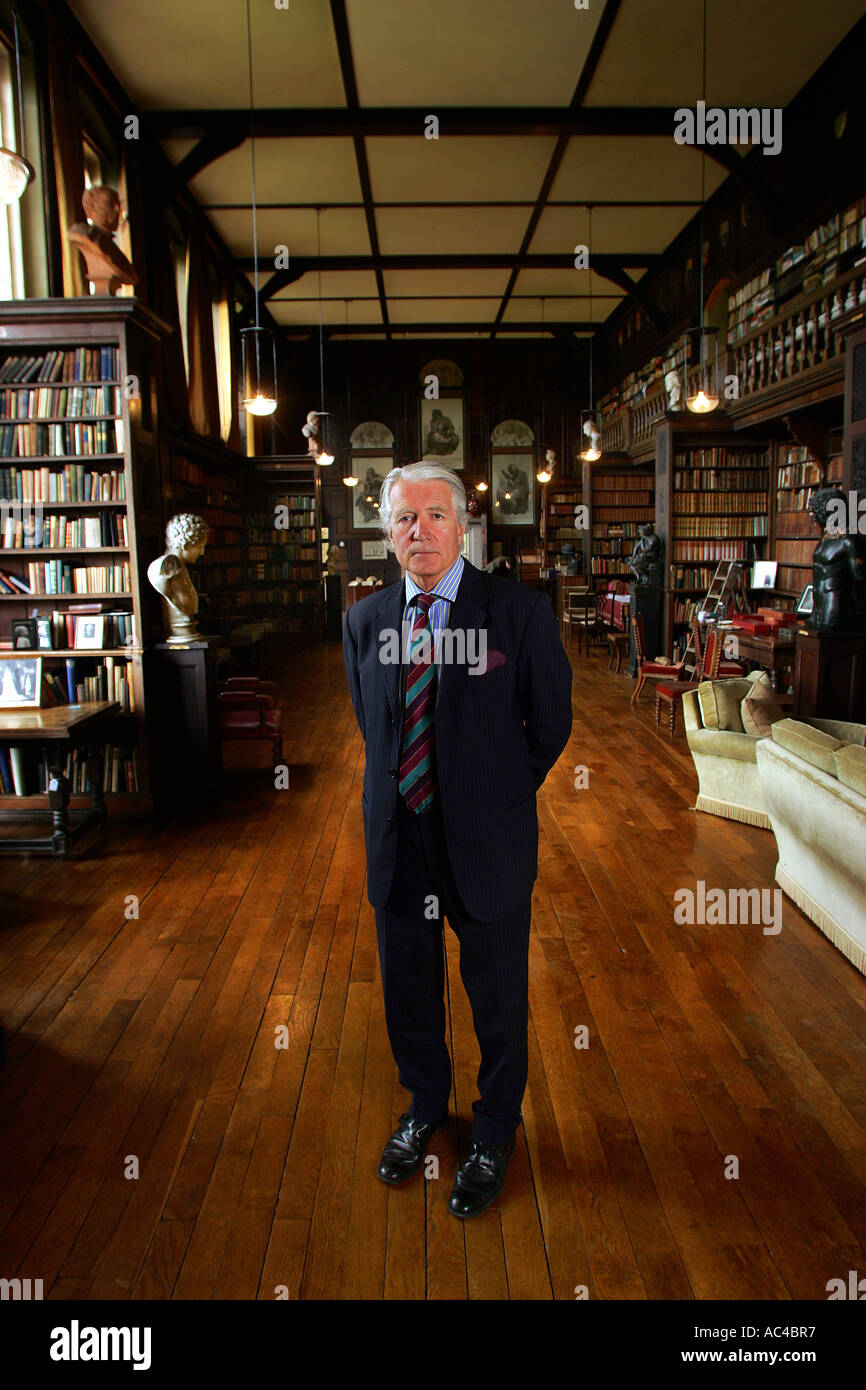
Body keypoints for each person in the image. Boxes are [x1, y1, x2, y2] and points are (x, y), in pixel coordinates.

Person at [343, 462, 572, 1218]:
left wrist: (493, 796)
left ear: (464, 525)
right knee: (408, 989)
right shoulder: (366, 621)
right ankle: (424, 1108)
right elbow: (373, 726)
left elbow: (551, 724)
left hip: (486, 843)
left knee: (497, 998)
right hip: (399, 839)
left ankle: (495, 1130)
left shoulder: (517, 614)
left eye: (436, 516)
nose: (422, 531)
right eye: (406, 519)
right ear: (387, 532)